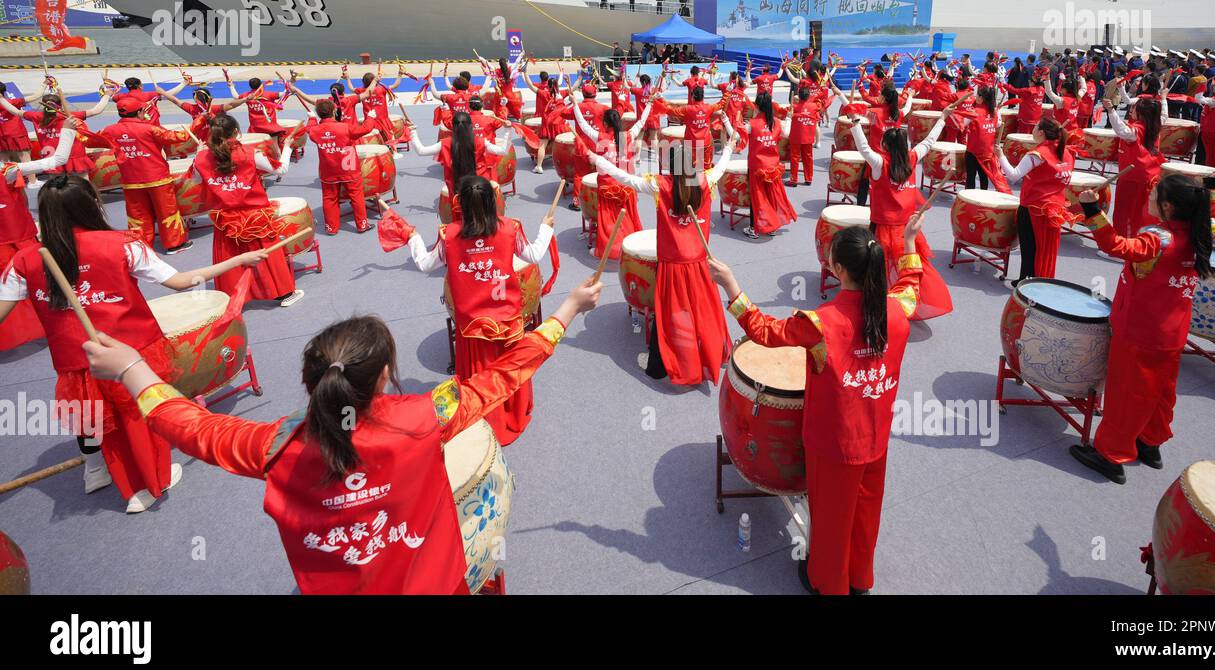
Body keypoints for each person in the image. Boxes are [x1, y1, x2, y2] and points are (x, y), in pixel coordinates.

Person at [80, 278, 601, 591]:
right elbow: (502, 376)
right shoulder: (427, 417)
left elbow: (189, 425)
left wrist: (130, 368)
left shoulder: (274, 446)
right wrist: (567, 310)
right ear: (383, 378)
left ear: (311, 380)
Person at [0, 175, 268, 511]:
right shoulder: (122, 245)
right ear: (91, 205)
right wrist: (237, 261)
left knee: (94, 417)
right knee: (138, 416)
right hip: (131, 351)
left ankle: (100, 472)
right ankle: (149, 485)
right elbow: (182, 282)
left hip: (76, 359)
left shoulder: (25, 261)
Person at [708, 213, 925, 594]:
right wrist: (909, 242)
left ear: (839, 270)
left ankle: (828, 584)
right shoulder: (897, 309)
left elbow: (763, 330)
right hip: (875, 440)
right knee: (865, 513)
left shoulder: (822, 323)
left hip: (835, 446)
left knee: (830, 520)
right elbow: (911, 284)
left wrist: (731, 286)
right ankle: (859, 579)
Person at [1069, 173, 1215, 483]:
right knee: (1161, 392)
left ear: (1167, 206)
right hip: (1172, 332)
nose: (1148, 197)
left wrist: (1093, 209)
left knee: (1127, 394)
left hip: (1140, 331)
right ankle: (1150, 444)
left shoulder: (1159, 240)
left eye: (1153, 194)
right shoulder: (1202, 231)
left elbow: (1116, 245)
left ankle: (1110, 455)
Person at [403, 174, 556, 444]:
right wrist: (545, 228)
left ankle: (483, 417)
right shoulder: (510, 227)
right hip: (506, 317)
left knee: (480, 375)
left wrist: (413, 237)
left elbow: (426, 265)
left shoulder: (449, 235)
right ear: (492, 202)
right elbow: (533, 255)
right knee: (509, 367)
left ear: (460, 204)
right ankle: (514, 411)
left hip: (472, 324)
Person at [590, 136, 735, 385]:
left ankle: (660, 367)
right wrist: (730, 145)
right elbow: (722, 164)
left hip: (672, 265)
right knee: (703, 311)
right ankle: (710, 355)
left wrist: (600, 162)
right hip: (700, 263)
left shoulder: (660, 185)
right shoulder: (705, 180)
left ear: (669, 163)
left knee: (667, 313)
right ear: (692, 162)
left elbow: (627, 179)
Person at [849, 107, 955, 320]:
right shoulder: (912, 158)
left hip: (883, 227)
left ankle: (881, 303)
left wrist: (855, 123)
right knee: (910, 264)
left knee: (881, 266)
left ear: (885, 145)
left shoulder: (880, 163)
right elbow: (928, 142)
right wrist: (942, 118)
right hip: (908, 229)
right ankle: (909, 300)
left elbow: (863, 148)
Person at [192, 114, 302, 307]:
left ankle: (232, 296)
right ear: (236, 132)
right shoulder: (249, 153)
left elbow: (195, 181)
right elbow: (280, 170)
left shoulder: (202, 158)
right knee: (267, 255)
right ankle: (283, 294)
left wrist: (197, 155)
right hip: (254, 215)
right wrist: (287, 148)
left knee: (230, 258)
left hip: (225, 216)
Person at [0, 126, 77, 350]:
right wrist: (67, 131)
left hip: (11, 238)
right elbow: (58, 159)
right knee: (40, 279)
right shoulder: (8, 171)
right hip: (17, 238)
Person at [82, 96, 192, 253]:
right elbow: (179, 137)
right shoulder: (149, 129)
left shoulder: (109, 130)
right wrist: (199, 121)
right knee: (166, 211)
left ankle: (141, 246)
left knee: (138, 215)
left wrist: (75, 125)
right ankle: (174, 244)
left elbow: (88, 140)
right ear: (140, 112)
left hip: (131, 181)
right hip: (157, 179)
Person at [997, 117, 1074, 282]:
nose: (1032, 130)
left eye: (1035, 127)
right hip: (1056, 208)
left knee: (1029, 247)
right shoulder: (1066, 152)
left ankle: (1026, 280)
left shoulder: (1037, 155)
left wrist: (1000, 155)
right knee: (1046, 249)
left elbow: (1014, 175)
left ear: (1041, 132)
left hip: (1034, 208)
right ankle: (1040, 279)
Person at [580, 101, 654, 259]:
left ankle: (607, 249)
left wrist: (574, 105)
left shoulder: (600, 137)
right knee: (627, 216)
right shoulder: (628, 135)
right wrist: (649, 104)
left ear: (605, 123)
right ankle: (630, 245)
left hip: (607, 187)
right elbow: (641, 121)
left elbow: (583, 125)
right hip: (627, 186)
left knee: (608, 221)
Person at [306, 98, 378, 235]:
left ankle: (331, 228)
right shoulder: (345, 127)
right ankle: (362, 224)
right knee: (356, 196)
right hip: (348, 167)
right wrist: (370, 117)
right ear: (334, 111)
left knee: (329, 198)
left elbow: (309, 130)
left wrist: (311, 119)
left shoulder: (314, 131)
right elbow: (366, 128)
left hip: (328, 170)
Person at [1106, 93, 1165, 236]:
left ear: (1142, 113)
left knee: (1125, 212)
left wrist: (1111, 111)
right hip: (1149, 174)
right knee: (1139, 211)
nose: (1132, 110)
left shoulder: (1137, 130)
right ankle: (1139, 240)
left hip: (1132, 176)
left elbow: (1122, 130)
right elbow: (1164, 113)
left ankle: (1122, 245)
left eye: (1135, 108)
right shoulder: (1156, 124)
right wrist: (1164, 98)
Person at [745, 92, 796, 238]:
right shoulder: (776, 122)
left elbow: (736, 136)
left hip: (756, 167)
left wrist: (727, 122)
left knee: (756, 198)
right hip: (773, 167)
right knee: (771, 196)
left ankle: (754, 229)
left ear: (757, 106)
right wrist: (789, 118)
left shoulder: (752, 124)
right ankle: (772, 227)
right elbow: (786, 134)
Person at [947, 85, 1010, 192]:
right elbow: (999, 124)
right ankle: (983, 198)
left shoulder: (974, 112)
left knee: (971, 177)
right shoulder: (993, 112)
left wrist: (951, 113)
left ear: (981, 98)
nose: (975, 97)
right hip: (987, 152)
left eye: (977, 95)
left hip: (973, 152)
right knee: (983, 177)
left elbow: (961, 124)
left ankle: (970, 199)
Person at [786, 86, 825, 186]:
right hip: (808, 137)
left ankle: (794, 179)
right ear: (808, 96)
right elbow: (823, 104)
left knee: (794, 158)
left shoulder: (793, 107)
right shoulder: (814, 106)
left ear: (799, 96)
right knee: (808, 158)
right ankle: (808, 178)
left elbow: (783, 113)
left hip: (796, 137)